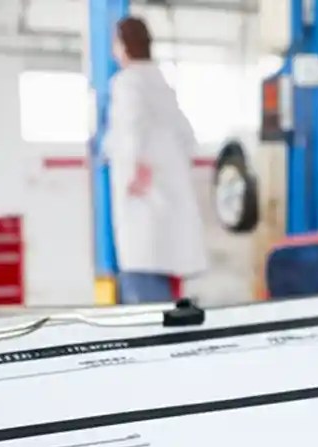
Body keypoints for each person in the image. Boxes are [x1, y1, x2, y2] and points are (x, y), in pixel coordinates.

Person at [104, 16, 208, 304]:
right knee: (165, 294)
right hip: (169, 207)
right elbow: (188, 139)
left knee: (144, 297)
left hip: (143, 209)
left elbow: (130, 130)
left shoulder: (127, 82)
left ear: (124, 45)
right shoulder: (161, 82)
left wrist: (132, 173)